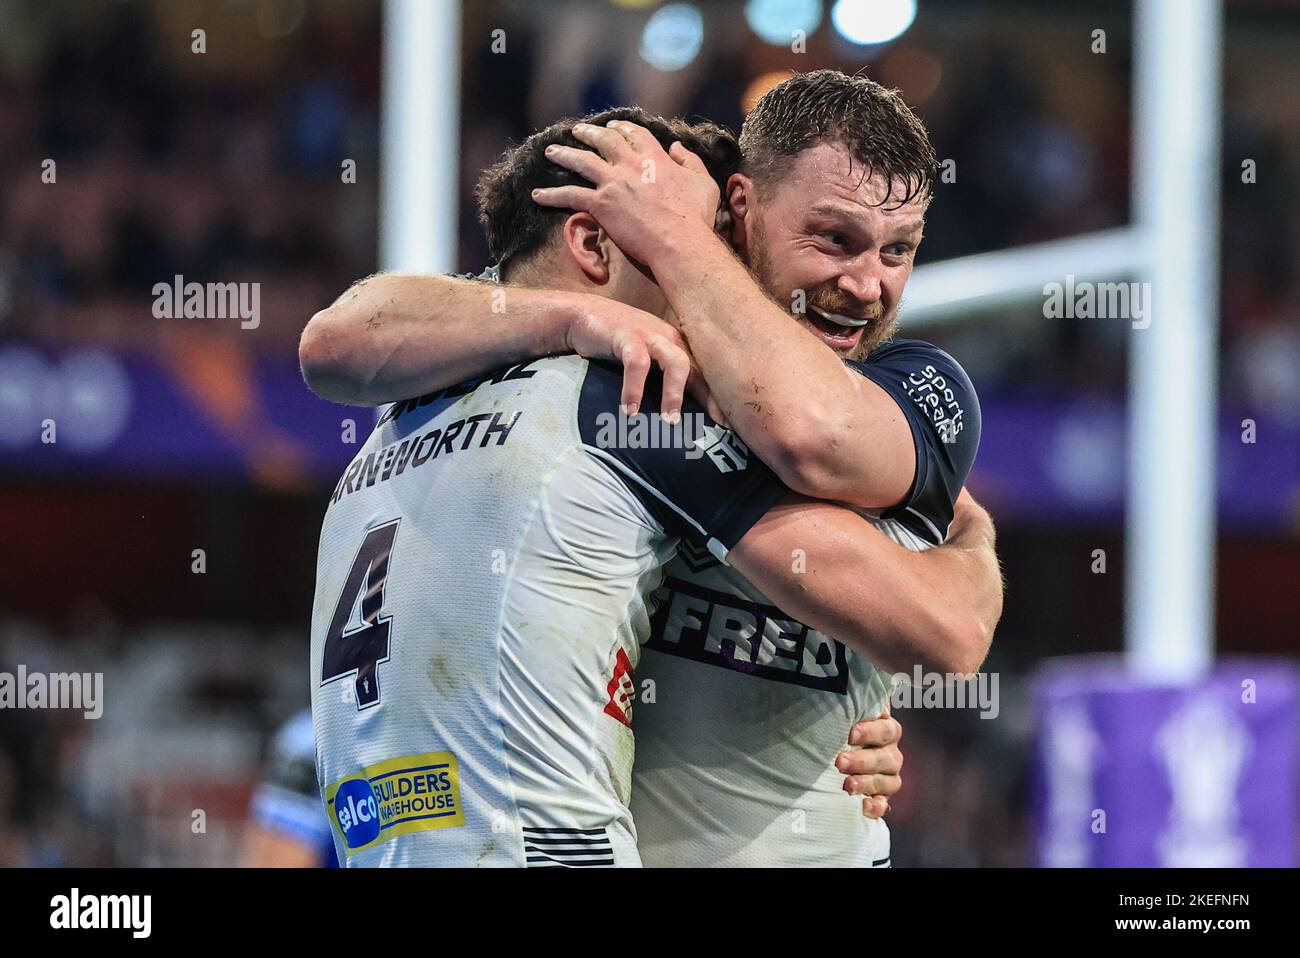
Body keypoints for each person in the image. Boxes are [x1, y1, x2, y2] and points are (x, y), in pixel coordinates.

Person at [304, 80, 1001, 868]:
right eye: (831, 240)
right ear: (596, 243)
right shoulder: (625, 396)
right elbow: (944, 628)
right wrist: (971, 534)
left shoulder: (413, 402)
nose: (869, 285)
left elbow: (334, 341)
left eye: (898, 251)